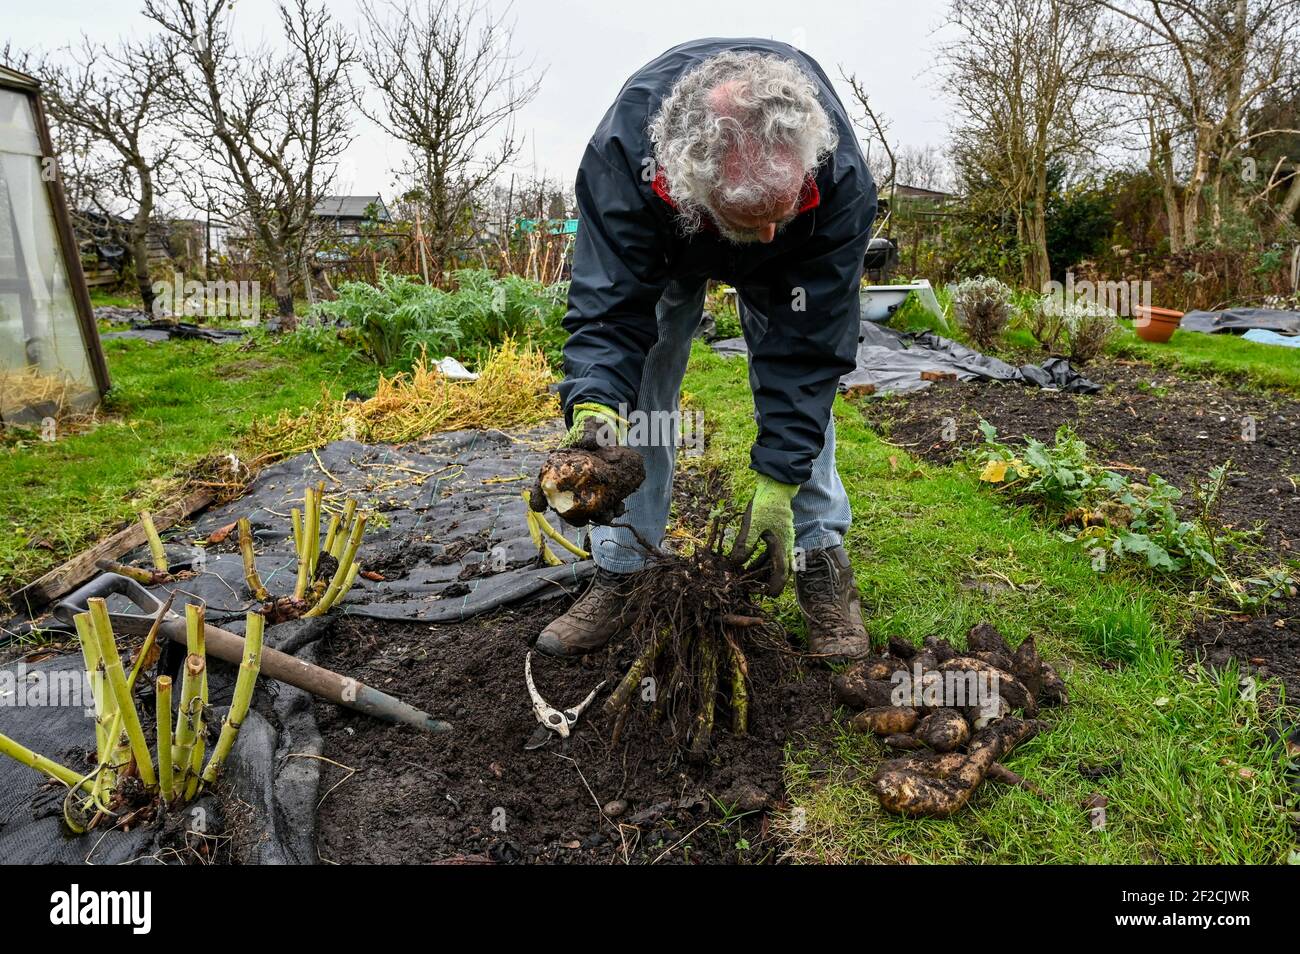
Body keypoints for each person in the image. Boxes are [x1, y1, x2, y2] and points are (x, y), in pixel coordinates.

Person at [535, 38, 877, 664]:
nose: (767, 234)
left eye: (782, 210)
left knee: (803, 379)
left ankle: (820, 559)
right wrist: (594, 413)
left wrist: (778, 479)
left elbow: (809, 352)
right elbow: (611, 307)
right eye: (754, 221)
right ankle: (622, 568)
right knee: (640, 390)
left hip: (790, 260)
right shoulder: (624, 161)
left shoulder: (839, 179)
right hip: (672, 243)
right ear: (685, 184)